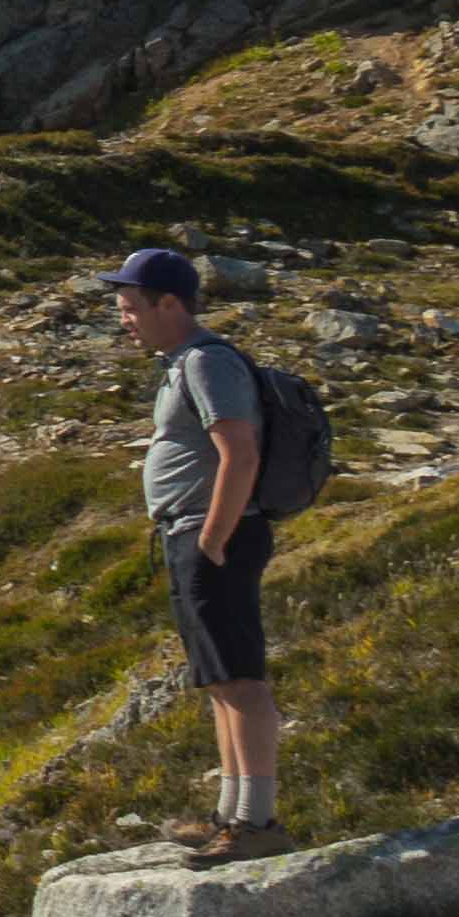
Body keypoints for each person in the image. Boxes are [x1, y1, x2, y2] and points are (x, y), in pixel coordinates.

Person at [111, 244, 281, 855]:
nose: (124, 319)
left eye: (131, 307)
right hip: (190, 534)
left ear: (171, 304)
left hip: (214, 536)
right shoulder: (182, 363)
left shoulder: (208, 363)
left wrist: (213, 537)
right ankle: (231, 817)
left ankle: (258, 823)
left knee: (240, 679)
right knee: (218, 679)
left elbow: (240, 452)